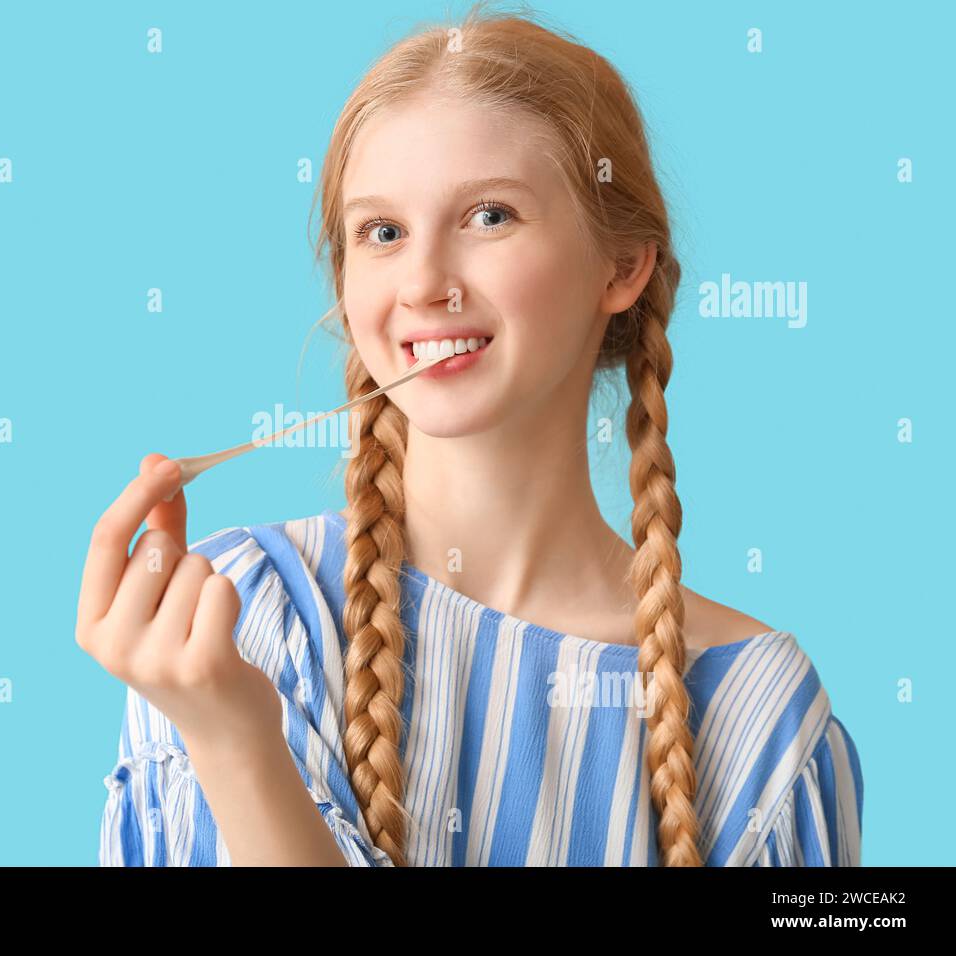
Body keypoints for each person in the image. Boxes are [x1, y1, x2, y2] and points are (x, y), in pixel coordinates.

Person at [79, 1, 863, 867]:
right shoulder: (235, 626)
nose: (422, 282)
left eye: (489, 216)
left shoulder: (759, 718)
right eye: (382, 232)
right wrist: (231, 741)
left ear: (622, 265)